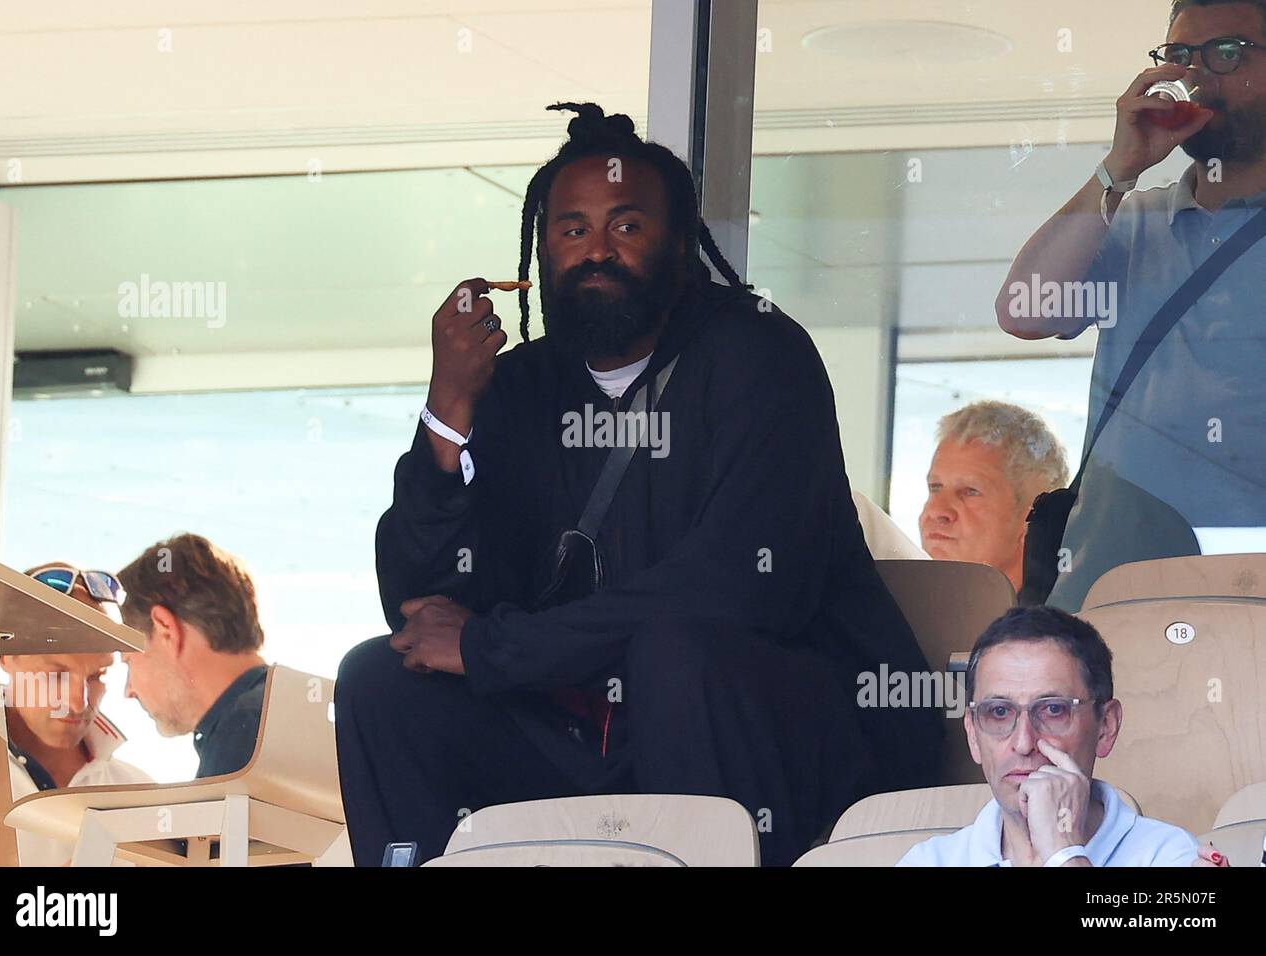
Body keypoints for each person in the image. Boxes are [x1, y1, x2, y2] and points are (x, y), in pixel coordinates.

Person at [335, 102, 941, 868]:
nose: (595, 252)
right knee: (382, 678)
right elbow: (422, 610)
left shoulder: (758, 354)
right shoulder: (518, 387)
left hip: (782, 734)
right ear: (542, 249)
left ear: (679, 247)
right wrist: (449, 409)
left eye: (625, 227)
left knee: (675, 654)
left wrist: (496, 647)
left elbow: (741, 589)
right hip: (590, 737)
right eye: (571, 230)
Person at [997, 0, 1266, 610]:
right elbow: (1025, 311)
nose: (1197, 76)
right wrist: (1117, 170)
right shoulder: (1133, 220)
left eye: (1227, 52)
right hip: (1116, 587)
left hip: (1250, 585)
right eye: (1179, 56)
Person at [898, 605, 1199, 867]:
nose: (1024, 742)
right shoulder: (928, 861)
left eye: (1053, 710)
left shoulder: (1173, 856)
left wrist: (1064, 853)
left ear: (1106, 726)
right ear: (973, 736)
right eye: (999, 713)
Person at [4, 564, 151, 866]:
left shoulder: (141, 796)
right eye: (56, 674)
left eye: (98, 675)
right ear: (5, 655)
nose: (76, 702)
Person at [117, 533, 268, 778]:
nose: (129, 690)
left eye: (128, 661)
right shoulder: (291, 713)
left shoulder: (244, 740)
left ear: (166, 629)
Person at [919, 401, 1068, 595]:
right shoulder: (905, 613)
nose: (937, 511)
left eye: (970, 491)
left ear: (1032, 515)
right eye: (935, 487)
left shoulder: (1066, 621)